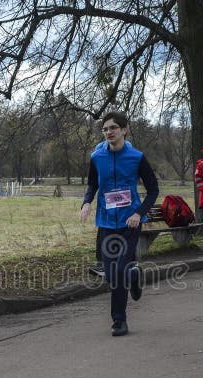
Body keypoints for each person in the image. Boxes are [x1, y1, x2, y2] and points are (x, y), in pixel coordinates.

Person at [80, 112, 159, 336]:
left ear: (124, 130)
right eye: (105, 129)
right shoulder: (97, 157)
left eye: (113, 128)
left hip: (130, 223)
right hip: (106, 222)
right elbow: (92, 185)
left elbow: (153, 190)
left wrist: (138, 213)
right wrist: (86, 203)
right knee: (113, 273)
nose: (109, 132)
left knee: (119, 268)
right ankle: (133, 276)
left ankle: (119, 321)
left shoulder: (136, 157)